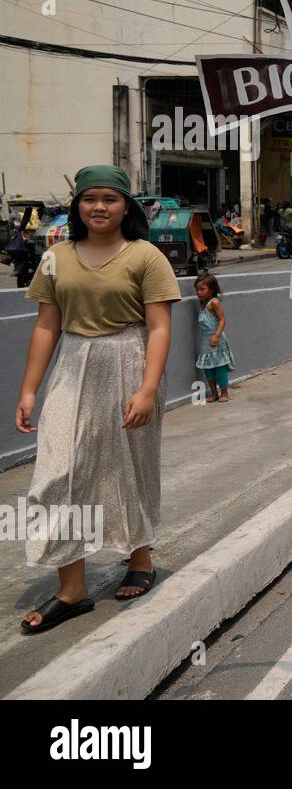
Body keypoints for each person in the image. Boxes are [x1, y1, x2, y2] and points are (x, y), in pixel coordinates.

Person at [17, 165, 180, 634]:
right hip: (71, 365)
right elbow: (46, 325)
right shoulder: (56, 258)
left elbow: (160, 326)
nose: (100, 207)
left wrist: (148, 388)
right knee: (58, 470)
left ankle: (140, 555)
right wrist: (29, 389)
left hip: (129, 360)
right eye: (90, 199)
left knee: (130, 462)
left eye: (110, 198)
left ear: (126, 206)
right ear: (78, 206)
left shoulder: (145, 256)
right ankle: (72, 589)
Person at [194, 272, 235, 403]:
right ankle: (213, 393)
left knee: (219, 368)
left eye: (202, 289)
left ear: (212, 290)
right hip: (206, 342)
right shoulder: (202, 305)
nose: (199, 292)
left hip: (216, 341)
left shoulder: (214, 303)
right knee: (208, 370)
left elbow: (222, 320)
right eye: (197, 289)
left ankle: (224, 392)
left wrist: (216, 336)